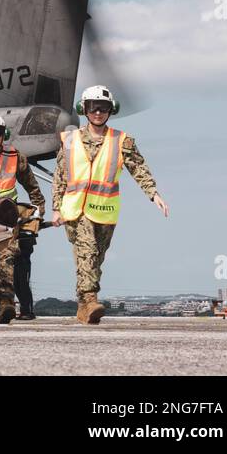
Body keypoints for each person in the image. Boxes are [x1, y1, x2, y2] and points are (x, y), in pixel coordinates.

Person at [51, 85, 168, 324]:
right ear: (84, 109)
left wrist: (153, 193)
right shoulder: (70, 140)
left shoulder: (122, 141)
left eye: (103, 108)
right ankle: (90, 298)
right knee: (87, 251)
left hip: (105, 210)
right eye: (93, 107)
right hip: (75, 209)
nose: (97, 112)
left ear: (111, 110)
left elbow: (139, 168)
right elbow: (60, 176)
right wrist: (56, 208)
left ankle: (84, 306)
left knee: (95, 259)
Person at [0, 114, 45, 324]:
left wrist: (38, 210)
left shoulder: (15, 156)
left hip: (7, 218)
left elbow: (32, 186)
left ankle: (6, 304)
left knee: (8, 258)